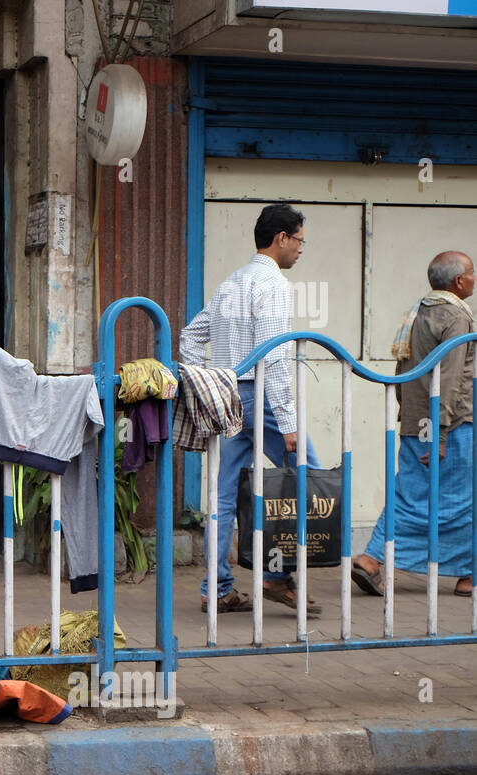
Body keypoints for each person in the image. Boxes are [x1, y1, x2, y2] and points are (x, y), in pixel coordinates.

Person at [180, 202, 323, 616]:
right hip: (262, 397)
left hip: (229, 398)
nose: (300, 248)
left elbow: (190, 337)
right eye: (298, 239)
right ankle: (276, 576)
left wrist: (210, 379)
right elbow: (275, 358)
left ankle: (217, 589)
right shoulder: (274, 286)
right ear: (281, 238)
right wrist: (290, 422)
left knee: (223, 495)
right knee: (307, 480)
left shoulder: (230, 283)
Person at [353, 251, 477, 597]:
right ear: (457, 282)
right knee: (464, 499)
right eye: (471, 273)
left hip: (415, 419)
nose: (473, 279)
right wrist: (439, 434)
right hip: (451, 426)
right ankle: (468, 575)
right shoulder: (456, 317)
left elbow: (401, 368)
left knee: (409, 495)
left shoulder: (418, 311)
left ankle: (372, 559)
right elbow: (452, 379)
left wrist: (410, 413)